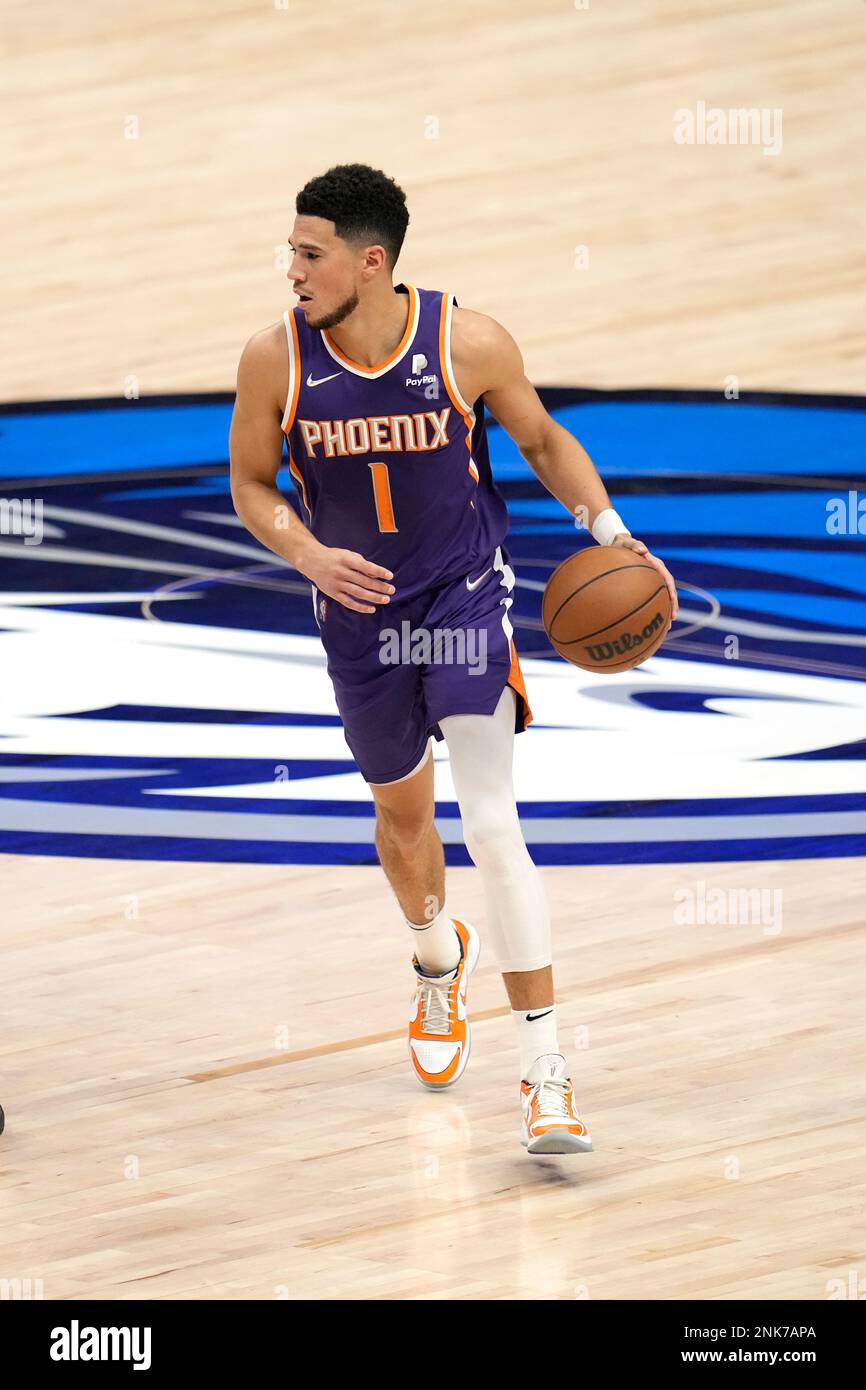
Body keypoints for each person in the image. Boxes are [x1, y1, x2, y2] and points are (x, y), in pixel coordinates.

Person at [229, 163, 678, 1154]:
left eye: (309, 253)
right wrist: (303, 549)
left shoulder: (465, 341)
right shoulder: (274, 360)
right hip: (359, 617)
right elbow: (250, 484)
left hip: (464, 596)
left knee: (489, 820)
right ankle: (438, 958)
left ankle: (545, 1070)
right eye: (292, 250)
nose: (290, 269)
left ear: (369, 260)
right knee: (403, 825)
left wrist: (604, 527)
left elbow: (544, 438)